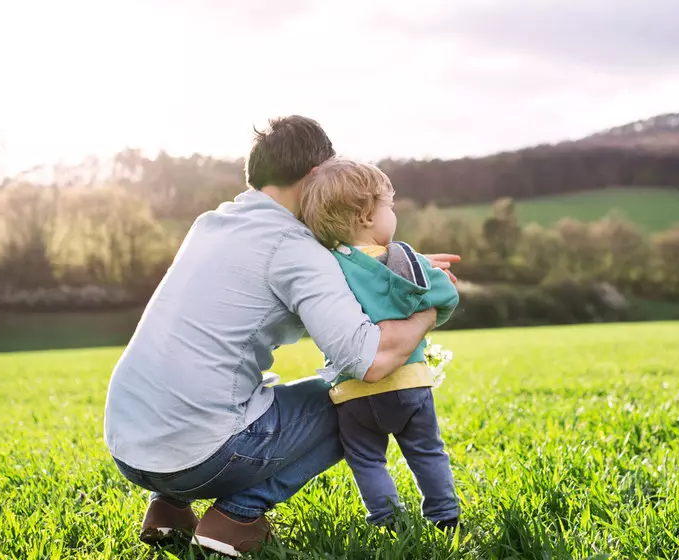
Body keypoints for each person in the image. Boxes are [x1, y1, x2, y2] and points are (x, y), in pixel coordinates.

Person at [103, 116, 460, 556]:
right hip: (197, 456)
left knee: (210, 384)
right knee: (355, 401)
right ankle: (236, 515)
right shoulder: (295, 248)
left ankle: (168, 510)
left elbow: (336, 271)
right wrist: (429, 307)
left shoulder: (212, 224)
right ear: (315, 177)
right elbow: (370, 362)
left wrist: (395, 263)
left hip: (127, 446)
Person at [299, 159, 461, 529]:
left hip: (351, 391)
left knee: (367, 460)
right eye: (389, 205)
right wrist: (425, 318)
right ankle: (445, 517)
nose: (394, 213)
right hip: (408, 382)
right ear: (366, 216)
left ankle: (387, 520)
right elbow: (446, 296)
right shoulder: (405, 260)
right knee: (426, 452)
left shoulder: (325, 268)